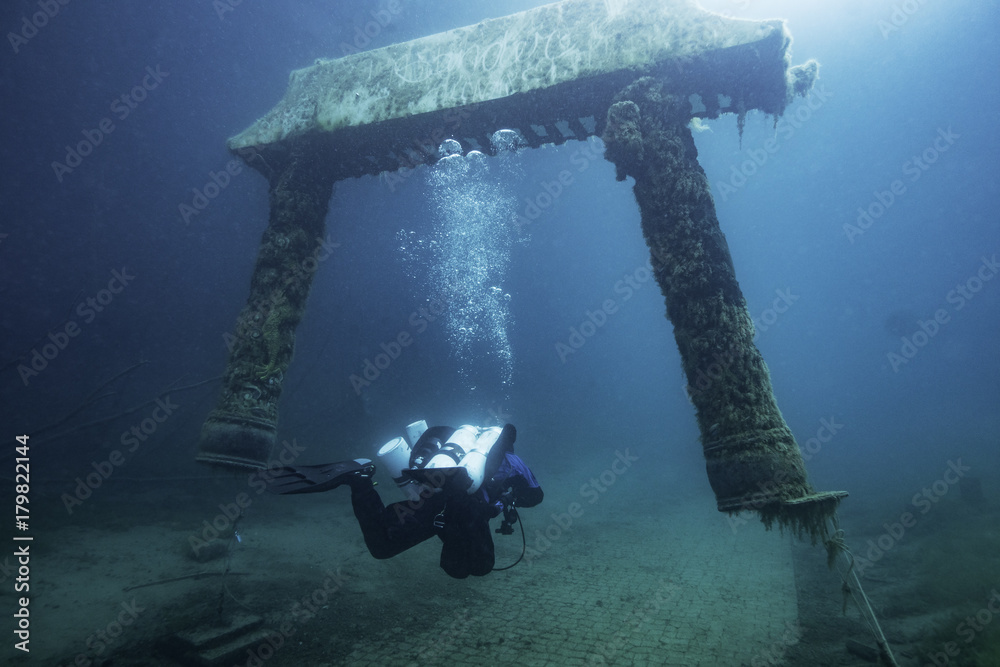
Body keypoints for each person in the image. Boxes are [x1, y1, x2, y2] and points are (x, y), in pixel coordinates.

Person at [265, 421, 543, 579]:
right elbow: (535, 496)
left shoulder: (459, 450)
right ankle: (360, 481)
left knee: (383, 546)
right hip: (459, 509)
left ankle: (360, 479)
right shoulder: (513, 462)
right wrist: (509, 497)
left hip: (430, 496)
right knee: (479, 566)